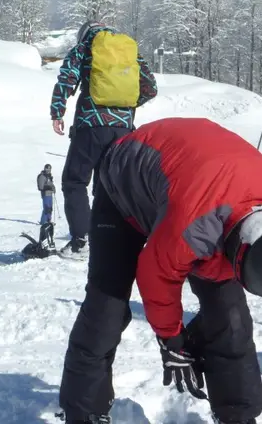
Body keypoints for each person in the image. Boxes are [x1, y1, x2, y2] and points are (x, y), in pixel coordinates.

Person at [58, 117, 262, 424]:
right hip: (123, 186)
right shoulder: (193, 228)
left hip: (189, 184)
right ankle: (83, 413)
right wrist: (172, 340)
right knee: (107, 307)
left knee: (230, 316)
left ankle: (238, 417)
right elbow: (155, 276)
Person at [51, 21, 157, 259]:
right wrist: (123, 108)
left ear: (83, 35)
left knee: (75, 181)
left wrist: (57, 112)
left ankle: (80, 242)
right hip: (124, 130)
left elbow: (66, 80)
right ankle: (108, 238)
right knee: (109, 185)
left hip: (91, 126)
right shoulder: (127, 51)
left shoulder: (84, 48)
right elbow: (150, 88)